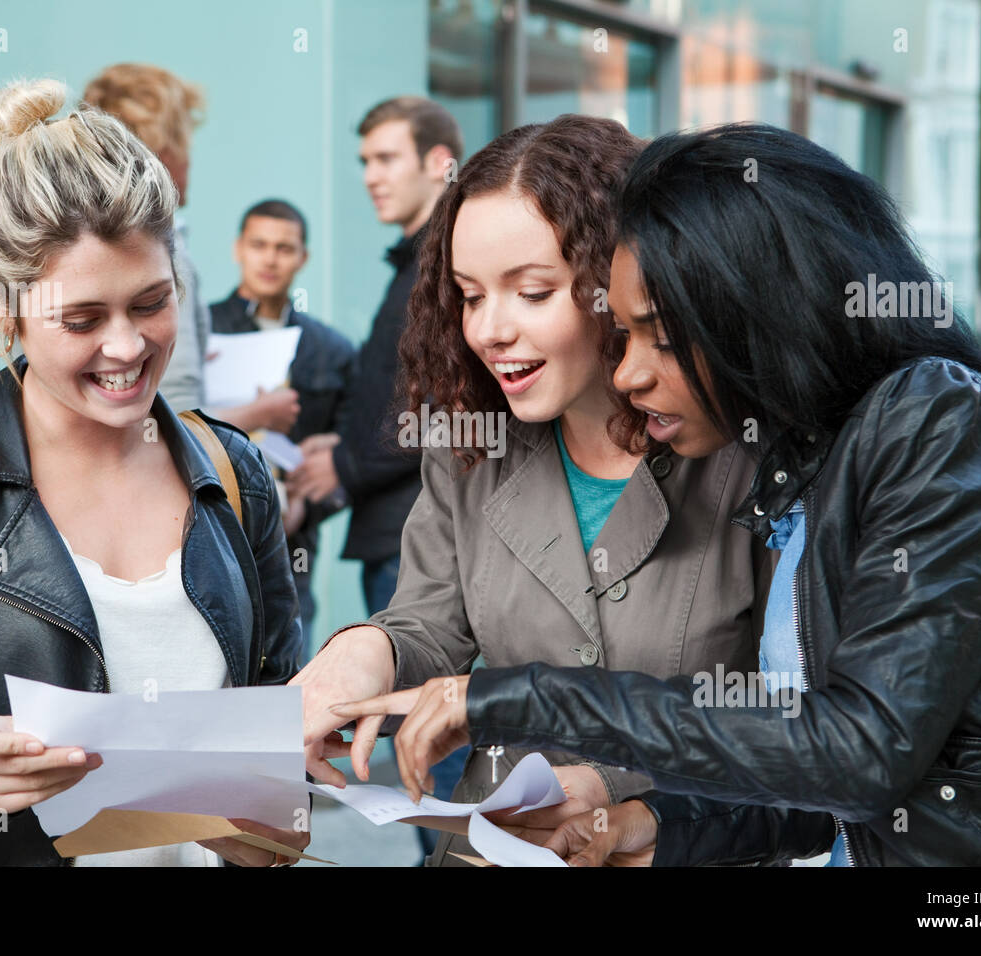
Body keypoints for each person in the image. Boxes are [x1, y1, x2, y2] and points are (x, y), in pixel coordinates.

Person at [336, 123, 981, 867]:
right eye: (627, 336)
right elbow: (810, 772)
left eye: (661, 337)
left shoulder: (932, 417)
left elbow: (863, 753)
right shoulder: (805, 456)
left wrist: (516, 697)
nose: (632, 375)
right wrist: (651, 825)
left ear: (759, 312)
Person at [0, 79, 305, 867]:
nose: (126, 348)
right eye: (81, 320)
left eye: (151, 303)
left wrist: (273, 825)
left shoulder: (235, 472)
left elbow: (281, 748)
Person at [293, 115, 774, 866]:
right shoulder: (470, 446)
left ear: (623, 280)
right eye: (469, 295)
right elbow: (429, 620)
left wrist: (628, 799)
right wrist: (365, 653)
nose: (490, 329)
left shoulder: (740, 453)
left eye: (533, 292)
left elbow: (799, 726)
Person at [287, 96, 462, 617]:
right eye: (365, 162)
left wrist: (344, 463)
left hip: (417, 535)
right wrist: (343, 443)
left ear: (437, 163)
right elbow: (402, 389)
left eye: (386, 159)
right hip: (399, 531)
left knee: (408, 699)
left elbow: (444, 404)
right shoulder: (416, 263)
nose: (370, 176)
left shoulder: (450, 261)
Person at [209, 199, 355, 648]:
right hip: (210, 524)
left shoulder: (332, 349)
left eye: (284, 248)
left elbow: (349, 453)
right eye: (259, 245)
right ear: (238, 249)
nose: (270, 258)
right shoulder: (197, 330)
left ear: (303, 257)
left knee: (288, 670)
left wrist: (307, 507)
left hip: (293, 547)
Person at [83, 63, 210, 414]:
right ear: (164, 148)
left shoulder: (71, 238)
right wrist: (261, 413)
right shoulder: (159, 250)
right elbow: (180, 407)